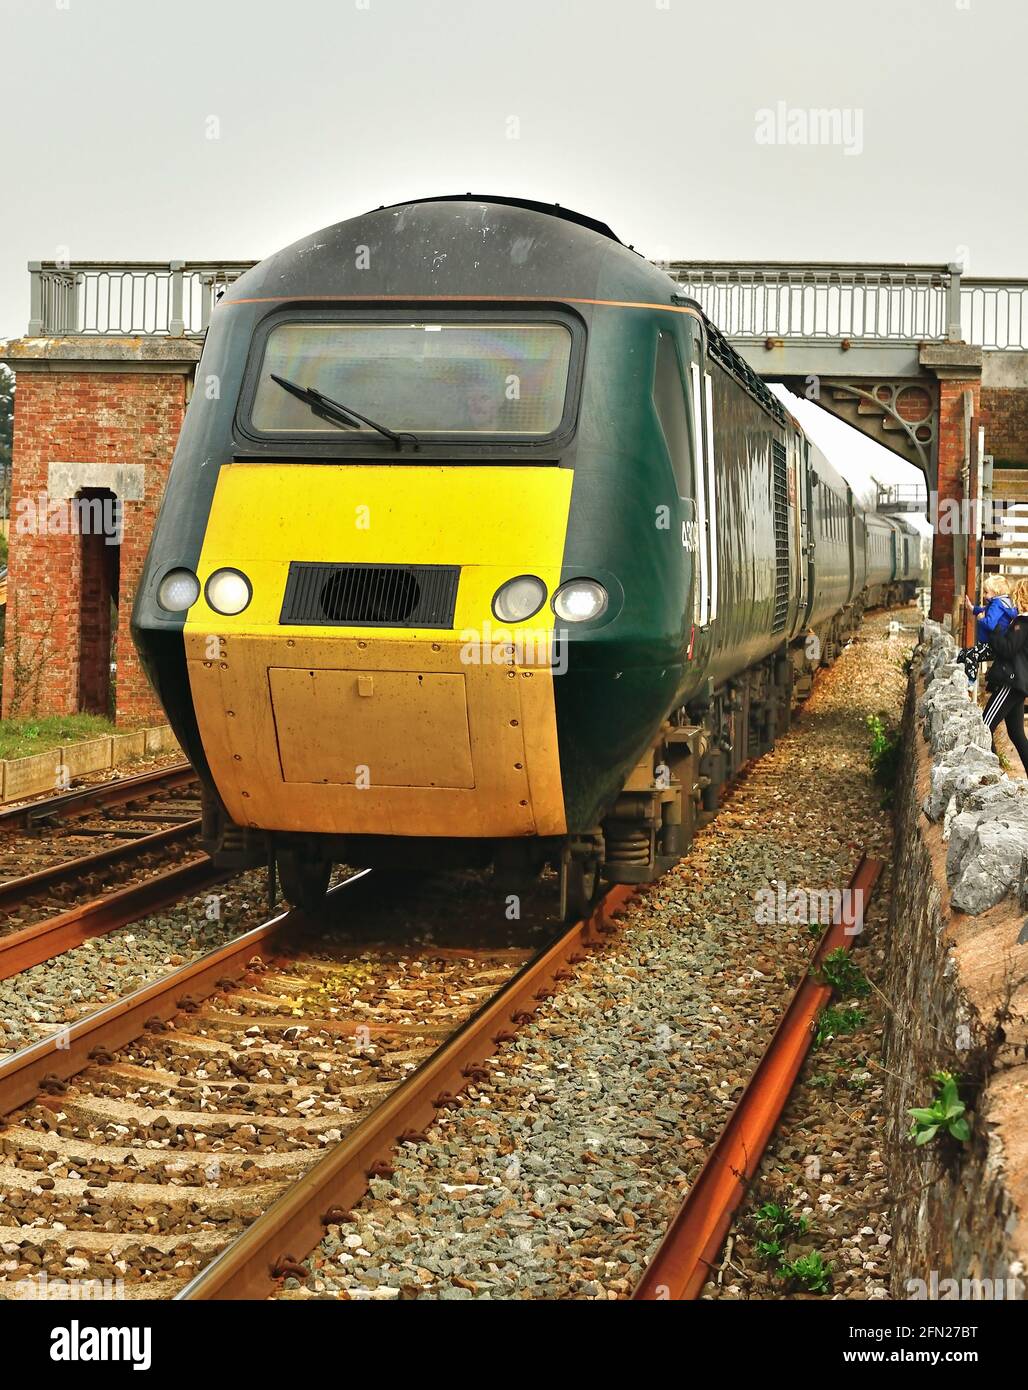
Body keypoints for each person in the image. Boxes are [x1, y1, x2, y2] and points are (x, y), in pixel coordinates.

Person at [980, 576, 1028, 776]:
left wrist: (993, 629)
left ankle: (994, 776)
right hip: (1018, 681)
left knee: (983, 726)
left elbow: (1008, 649)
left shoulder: (1022, 623)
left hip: (1011, 682)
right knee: (1016, 734)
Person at [957, 574, 1017, 685]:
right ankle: (958, 675)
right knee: (964, 654)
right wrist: (972, 608)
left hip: (993, 644)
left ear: (996, 591)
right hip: (995, 643)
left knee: (971, 654)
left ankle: (969, 682)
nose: (984, 595)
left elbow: (990, 623)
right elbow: (985, 609)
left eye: (986, 592)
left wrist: (981, 619)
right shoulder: (1002, 603)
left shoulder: (997, 604)